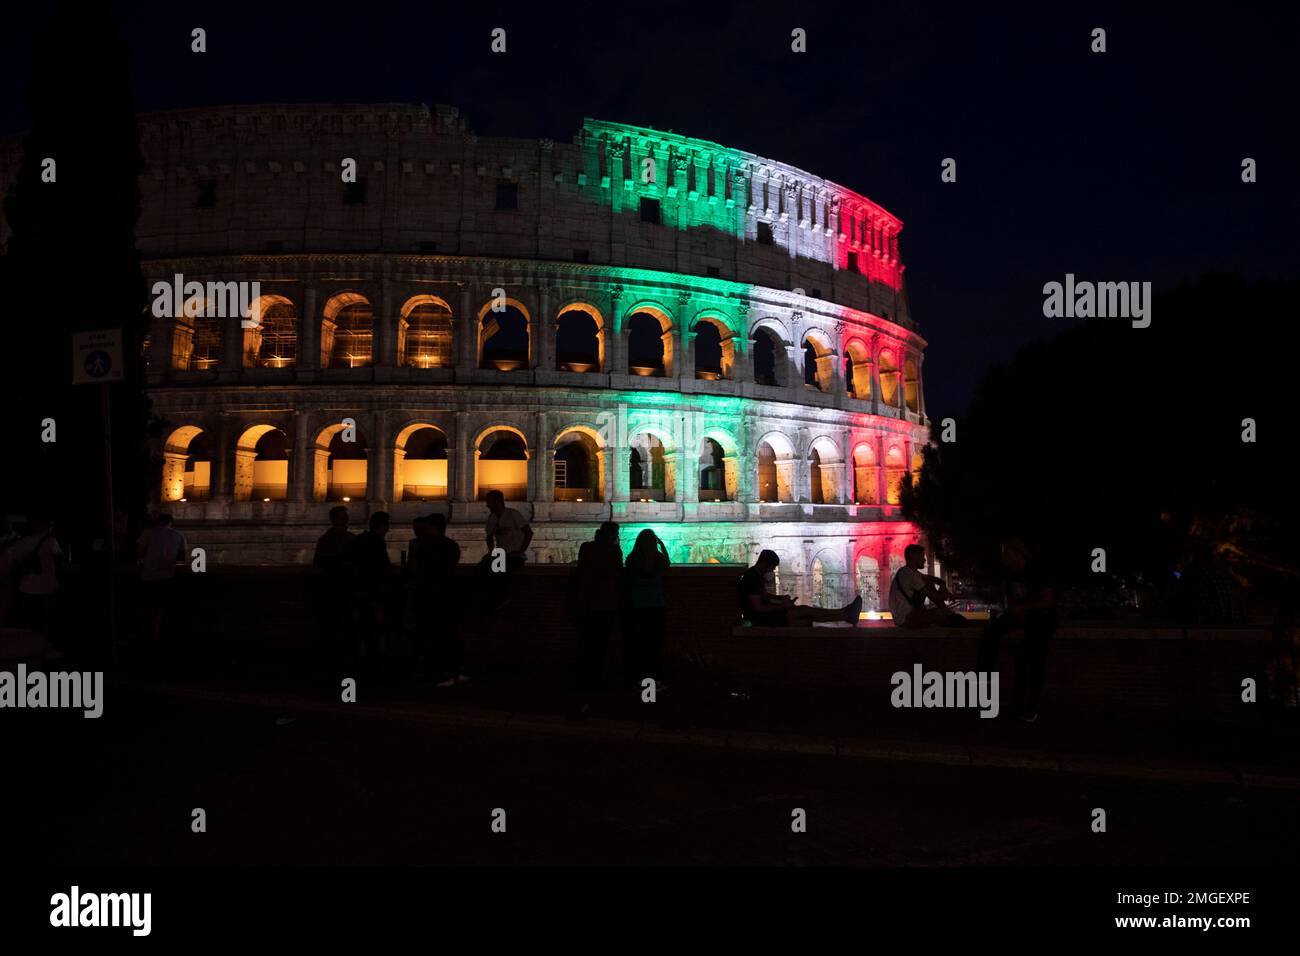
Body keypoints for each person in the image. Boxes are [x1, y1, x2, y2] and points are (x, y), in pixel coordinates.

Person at [976, 538, 1058, 722]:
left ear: (1017, 553)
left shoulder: (1038, 570)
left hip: (1042, 617)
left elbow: (1048, 601)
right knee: (992, 631)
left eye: (1005, 553)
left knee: (1030, 659)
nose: (1003, 557)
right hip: (1022, 614)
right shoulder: (1010, 574)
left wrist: (1023, 609)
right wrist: (1014, 610)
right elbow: (1011, 599)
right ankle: (985, 675)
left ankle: (1029, 707)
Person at [409, 513, 466, 687]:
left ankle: (434, 673)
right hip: (446, 596)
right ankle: (452, 671)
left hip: (427, 596)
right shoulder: (451, 546)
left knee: (429, 636)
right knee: (448, 635)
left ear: (431, 527)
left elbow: (416, 570)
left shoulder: (422, 546)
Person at [737, 550, 861, 627]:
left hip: (768, 616)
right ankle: (846, 613)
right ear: (764, 563)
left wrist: (781, 598)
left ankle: (846, 614)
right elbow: (758, 608)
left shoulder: (756, 575)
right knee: (805, 613)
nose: (773, 570)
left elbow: (764, 596)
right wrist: (782, 606)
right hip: (762, 619)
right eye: (772, 567)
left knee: (805, 612)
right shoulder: (752, 578)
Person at [573, 522, 623, 702]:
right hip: (605, 603)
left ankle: (583, 679)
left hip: (585, 601)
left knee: (585, 642)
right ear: (613, 535)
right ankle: (598, 680)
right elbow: (619, 571)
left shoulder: (586, 547)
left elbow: (581, 569)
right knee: (601, 644)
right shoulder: (613, 550)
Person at [345, 511, 393, 664]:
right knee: (375, 628)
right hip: (373, 592)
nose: (388, 530)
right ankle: (374, 660)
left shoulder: (357, 540)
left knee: (361, 628)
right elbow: (383, 568)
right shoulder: (377, 542)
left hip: (358, 590)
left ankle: (361, 659)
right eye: (387, 526)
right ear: (382, 526)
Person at [624, 529, 670, 688]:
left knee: (639, 644)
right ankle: (654, 681)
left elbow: (627, 571)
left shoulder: (632, 559)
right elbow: (667, 564)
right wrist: (662, 545)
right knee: (655, 644)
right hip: (656, 606)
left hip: (637, 606)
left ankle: (640, 680)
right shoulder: (659, 559)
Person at [9, 513, 64, 644]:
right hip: (47, 588)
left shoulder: (21, 542)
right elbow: (60, 560)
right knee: (47, 625)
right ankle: (44, 652)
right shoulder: (51, 542)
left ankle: (27, 657)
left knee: (29, 626)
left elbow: (14, 563)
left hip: (26, 589)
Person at [137, 513, 188, 644]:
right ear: (171, 522)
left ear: (158, 522)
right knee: (163, 607)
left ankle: (148, 634)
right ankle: (161, 635)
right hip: (168, 575)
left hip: (149, 575)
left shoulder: (148, 532)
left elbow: (140, 551)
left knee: (148, 608)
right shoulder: (178, 535)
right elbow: (182, 556)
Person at [478, 490, 532, 611]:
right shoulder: (492, 518)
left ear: (498, 502)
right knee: (483, 568)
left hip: (514, 555)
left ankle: (500, 599)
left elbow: (528, 533)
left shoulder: (513, 514)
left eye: (489, 502)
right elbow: (489, 537)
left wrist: (520, 551)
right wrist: (492, 551)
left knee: (499, 572)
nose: (487, 505)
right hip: (501, 554)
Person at [889, 543, 965, 627]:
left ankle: (946, 612)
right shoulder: (909, 574)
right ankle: (946, 612)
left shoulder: (908, 572)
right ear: (914, 557)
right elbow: (934, 596)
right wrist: (946, 594)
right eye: (922, 556)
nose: (925, 559)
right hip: (906, 618)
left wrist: (942, 583)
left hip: (909, 615)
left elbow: (932, 579)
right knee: (941, 614)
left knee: (928, 582)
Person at [312, 506, 354, 659]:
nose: (346, 520)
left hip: (331, 590)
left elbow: (317, 565)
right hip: (341, 589)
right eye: (344, 518)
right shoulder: (347, 539)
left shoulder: (325, 539)